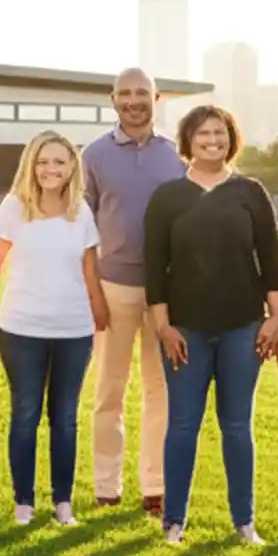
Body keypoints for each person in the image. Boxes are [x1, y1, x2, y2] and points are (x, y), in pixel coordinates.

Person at [144, 104, 278, 546]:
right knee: (183, 424)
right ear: (188, 141)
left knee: (237, 426)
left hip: (243, 327)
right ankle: (174, 522)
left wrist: (277, 317)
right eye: (203, 133)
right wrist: (164, 328)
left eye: (221, 132)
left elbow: (272, 260)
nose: (213, 140)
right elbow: (153, 268)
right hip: (185, 332)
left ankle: (244, 522)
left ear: (231, 138)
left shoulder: (250, 192)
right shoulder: (167, 196)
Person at [0, 130, 110, 527]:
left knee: (66, 417)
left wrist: (99, 309)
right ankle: (24, 502)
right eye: (43, 161)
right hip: (22, 328)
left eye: (59, 161)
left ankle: (62, 502)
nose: (50, 169)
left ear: (72, 166)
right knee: (25, 413)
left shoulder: (81, 211)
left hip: (74, 330)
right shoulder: (13, 208)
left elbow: (90, 269)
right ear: (31, 166)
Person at [82, 67, 186, 517]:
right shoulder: (95, 154)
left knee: (160, 389)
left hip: (167, 293)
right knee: (109, 389)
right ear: (112, 99)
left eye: (141, 92)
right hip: (113, 287)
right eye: (125, 93)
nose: (133, 100)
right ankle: (107, 485)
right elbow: (81, 228)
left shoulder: (176, 155)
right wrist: (92, 293)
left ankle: (155, 487)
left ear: (156, 98)